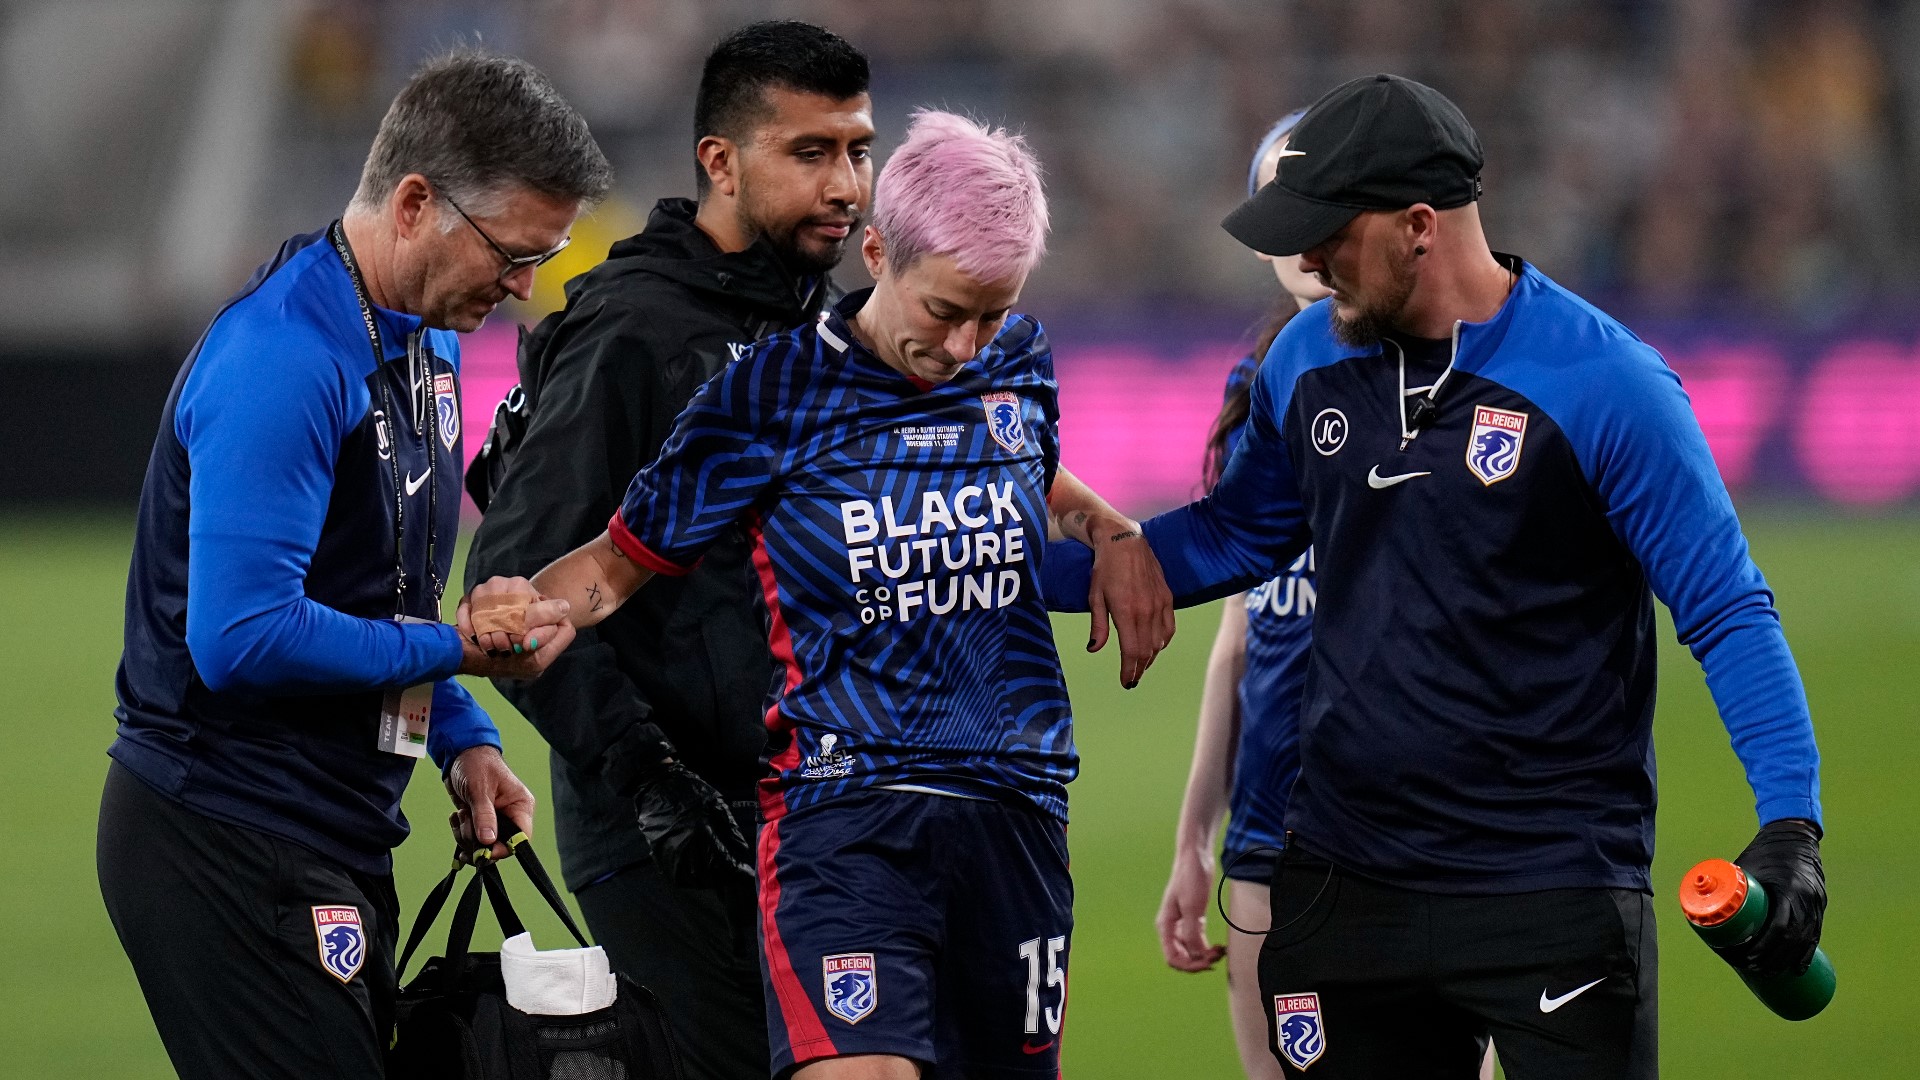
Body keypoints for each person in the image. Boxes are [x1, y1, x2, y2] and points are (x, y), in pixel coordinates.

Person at [1049, 74, 1826, 1079]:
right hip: (1343, 887)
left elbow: (1726, 611)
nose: (1310, 259)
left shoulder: (1607, 385)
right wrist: (1028, 569)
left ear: (1420, 225)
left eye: (1330, 232)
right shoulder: (1303, 363)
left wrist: (1792, 824)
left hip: (1549, 893)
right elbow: (1234, 538)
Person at [476, 109, 1170, 1080]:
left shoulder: (1019, 363)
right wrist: (516, 608)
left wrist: (1113, 529)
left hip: (1011, 817)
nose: (969, 344)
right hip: (842, 824)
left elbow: (1025, 462)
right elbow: (616, 564)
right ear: (879, 252)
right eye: (944, 312)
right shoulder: (769, 396)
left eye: (993, 314)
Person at [98, 49, 606, 1080]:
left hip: (330, 828)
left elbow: (395, 585)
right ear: (416, 201)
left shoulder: (423, 340)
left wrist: (461, 739)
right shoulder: (283, 358)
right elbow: (241, 638)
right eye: (513, 252)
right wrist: (459, 652)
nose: (522, 288)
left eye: (540, 260)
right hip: (225, 835)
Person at [462, 21, 874, 1080]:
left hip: (814, 815)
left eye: (859, 150)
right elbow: (507, 588)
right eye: (812, 153)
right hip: (669, 842)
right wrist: (646, 776)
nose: (847, 185)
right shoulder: (635, 329)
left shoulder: (824, 336)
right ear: (722, 163)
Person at [1154, 110, 1322, 1080]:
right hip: (1267, 842)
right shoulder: (1251, 388)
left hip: (1410, 840)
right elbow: (1237, 640)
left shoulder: (1438, 383)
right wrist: (1194, 845)